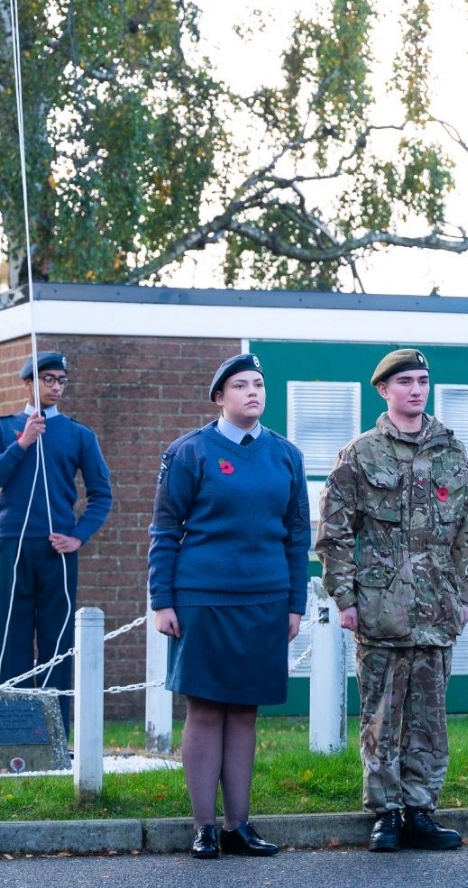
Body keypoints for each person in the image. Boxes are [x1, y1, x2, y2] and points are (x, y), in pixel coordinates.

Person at [317, 348, 468, 854]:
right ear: (383, 390)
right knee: (381, 717)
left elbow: (467, 531)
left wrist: (463, 589)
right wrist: (344, 596)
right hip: (382, 606)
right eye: (404, 381)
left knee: (429, 717)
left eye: (422, 380)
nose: (415, 389)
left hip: (436, 607)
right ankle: (386, 814)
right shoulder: (359, 455)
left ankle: (422, 811)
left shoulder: (451, 450)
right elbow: (335, 534)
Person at [148, 353, 309, 860]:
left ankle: (239, 825)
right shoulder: (189, 452)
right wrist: (162, 600)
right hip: (202, 600)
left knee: (244, 713)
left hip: (265, 600)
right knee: (204, 709)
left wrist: (294, 603)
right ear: (220, 397)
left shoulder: (286, 455)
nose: (253, 393)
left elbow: (297, 535)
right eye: (241, 385)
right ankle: (205, 827)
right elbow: (165, 530)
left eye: (259, 384)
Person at [0, 350, 113, 737]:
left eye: (60, 380)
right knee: (13, 638)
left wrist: (79, 536)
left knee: (57, 640)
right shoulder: (2, 428)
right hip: (13, 545)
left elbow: (101, 494)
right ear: (28, 384)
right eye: (47, 379)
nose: (55, 387)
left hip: (58, 551)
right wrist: (22, 442)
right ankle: (12, 735)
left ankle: (53, 737)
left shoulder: (79, 434)